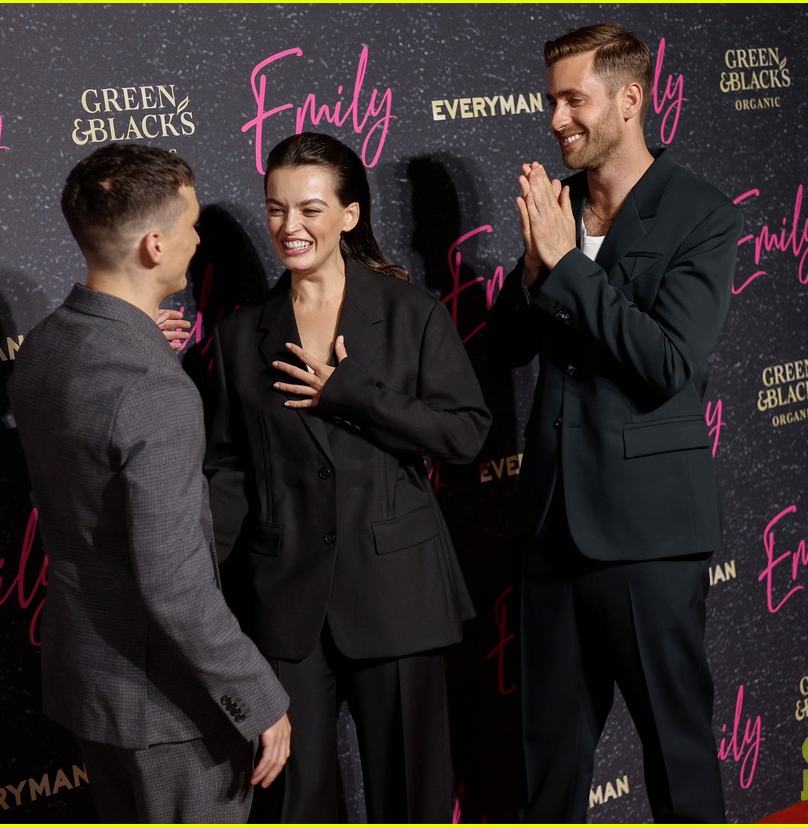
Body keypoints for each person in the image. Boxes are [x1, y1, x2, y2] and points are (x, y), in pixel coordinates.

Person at [486, 23, 743, 823]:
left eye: (574, 100)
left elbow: (668, 362)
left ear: (630, 100)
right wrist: (532, 276)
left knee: (677, 754)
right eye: (551, 101)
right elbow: (508, 346)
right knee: (547, 770)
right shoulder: (558, 206)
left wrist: (566, 266)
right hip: (552, 528)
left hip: (648, 533)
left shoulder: (701, 214)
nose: (557, 118)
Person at [204, 131, 491, 823]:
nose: (289, 227)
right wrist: (191, 588)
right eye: (275, 209)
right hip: (285, 605)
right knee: (291, 800)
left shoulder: (409, 313)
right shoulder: (239, 339)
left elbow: (465, 433)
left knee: (409, 796)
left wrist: (351, 391)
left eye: (309, 209)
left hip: (397, 595)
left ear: (350, 215)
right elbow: (227, 468)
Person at [8, 142, 291, 823]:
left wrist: (137, 344)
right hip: (169, 708)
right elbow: (174, 585)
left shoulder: (47, 345)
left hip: (91, 690)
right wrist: (259, 699)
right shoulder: (151, 392)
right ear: (155, 245)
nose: (200, 240)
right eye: (192, 226)